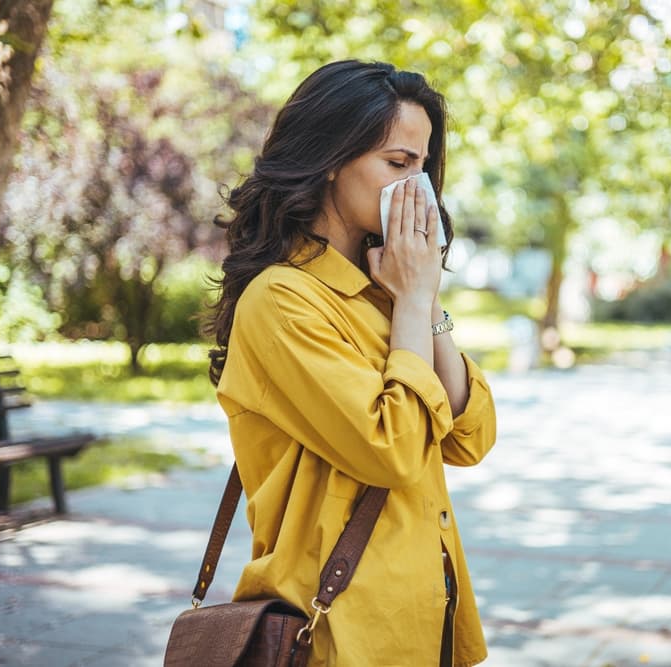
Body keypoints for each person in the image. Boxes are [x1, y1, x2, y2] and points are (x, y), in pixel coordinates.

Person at [206, 59, 497, 667]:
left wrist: (425, 303)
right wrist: (413, 303)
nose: (416, 188)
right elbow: (390, 449)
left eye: (422, 168)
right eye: (397, 164)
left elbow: (470, 439)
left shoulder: (386, 291)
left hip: (425, 612)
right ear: (332, 158)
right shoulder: (281, 299)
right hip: (339, 630)